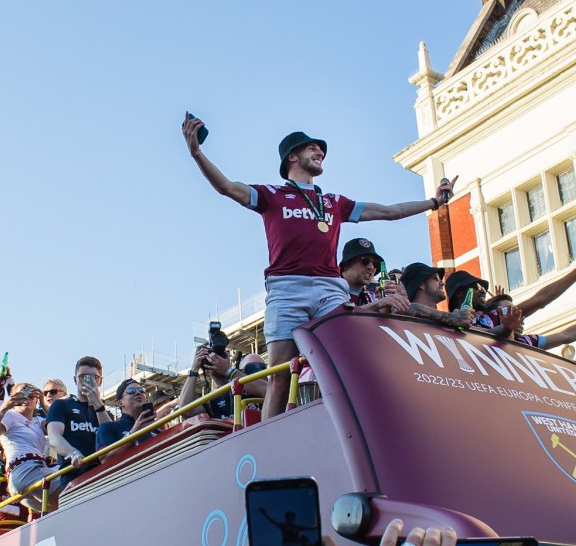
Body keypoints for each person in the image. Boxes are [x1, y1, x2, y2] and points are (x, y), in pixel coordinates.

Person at [182, 115, 452, 419]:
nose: (320, 152)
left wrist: (434, 202)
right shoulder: (272, 195)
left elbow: (390, 211)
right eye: (312, 148)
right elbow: (228, 187)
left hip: (329, 289)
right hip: (286, 290)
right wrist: (196, 153)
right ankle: (273, 444)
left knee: (346, 361)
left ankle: (358, 423)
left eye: (320, 149)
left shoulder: (334, 202)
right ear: (292, 157)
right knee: (280, 377)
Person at [445, 242, 576, 327]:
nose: (482, 292)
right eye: (475, 287)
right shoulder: (445, 325)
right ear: (459, 294)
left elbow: (540, 299)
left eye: (483, 288)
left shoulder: (494, 317)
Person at [0, 383, 61, 511]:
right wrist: (3, 408)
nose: (26, 399)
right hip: (24, 468)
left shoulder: (38, 420)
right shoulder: (11, 416)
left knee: (62, 503)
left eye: (31, 395)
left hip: (37, 469)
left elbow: (57, 431)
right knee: (68, 494)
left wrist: (43, 403)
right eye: (21, 396)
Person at [46, 356, 112, 475]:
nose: (87, 381)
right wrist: (73, 453)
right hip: (74, 474)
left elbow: (111, 439)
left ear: (100, 381)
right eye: (83, 377)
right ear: (75, 380)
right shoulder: (62, 405)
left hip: (103, 474)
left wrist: (98, 404)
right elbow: (54, 437)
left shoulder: (105, 414)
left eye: (94, 377)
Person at [177, 346, 267, 422]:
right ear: (207, 371)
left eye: (222, 354)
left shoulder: (248, 370)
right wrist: (194, 370)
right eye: (211, 358)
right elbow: (186, 411)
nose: (218, 359)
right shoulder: (213, 399)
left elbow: (268, 390)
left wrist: (228, 370)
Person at [340, 238, 410, 313]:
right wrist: (378, 304)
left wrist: (388, 303)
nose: (371, 267)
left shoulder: (369, 296)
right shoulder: (330, 287)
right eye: (365, 261)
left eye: (375, 263)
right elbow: (338, 315)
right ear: (346, 265)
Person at [96, 379, 158, 465]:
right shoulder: (108, 428)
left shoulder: (155, 428)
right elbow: (105, 459)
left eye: (141, 390)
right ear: (120, 403)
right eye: (131, 391)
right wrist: (133, 434)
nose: (138, 393)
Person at [400, 262, 475, 329]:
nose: (442, 283)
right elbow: (406, 308)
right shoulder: (402, 317)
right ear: (420, 284)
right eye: (436, 278)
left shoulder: (447, 323)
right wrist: (453, 317)